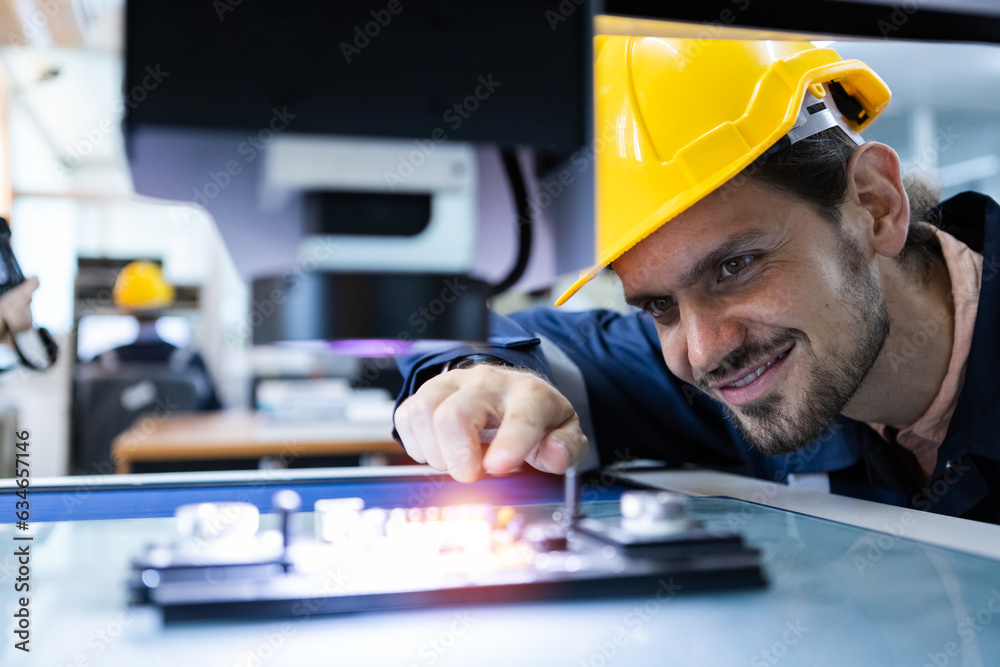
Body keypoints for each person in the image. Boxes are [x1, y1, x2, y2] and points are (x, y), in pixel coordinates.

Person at [392, 37, 1000, 525]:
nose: (707, 352)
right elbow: (504, 335)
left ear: (874, 204)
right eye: (658, 305)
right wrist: (483, 378)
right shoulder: (750, 370)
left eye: (734, 267)